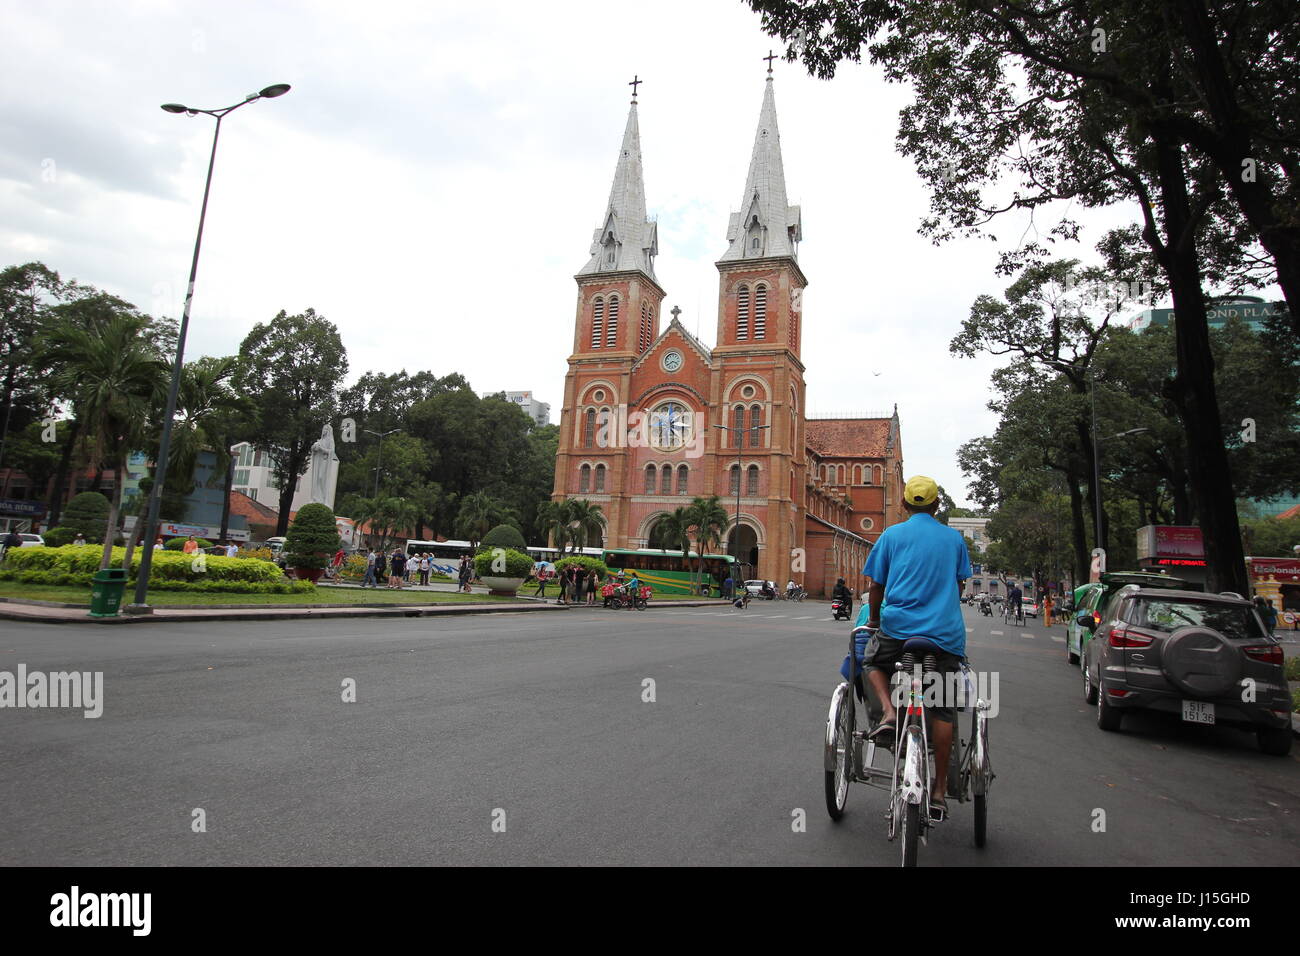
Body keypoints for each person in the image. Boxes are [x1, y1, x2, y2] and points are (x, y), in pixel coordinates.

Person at [861, 475, 971, 822]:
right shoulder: (953, 539)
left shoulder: (891, 535)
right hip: (944, 636)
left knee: (871, 661)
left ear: (905, 505)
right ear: (937, 505)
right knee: (941, 709)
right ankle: (939, 792)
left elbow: (876, 585)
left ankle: (890, 712)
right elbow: (960, 584)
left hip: (898, 632)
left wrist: (876, 619)